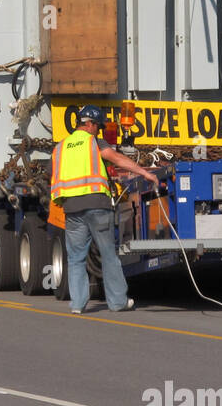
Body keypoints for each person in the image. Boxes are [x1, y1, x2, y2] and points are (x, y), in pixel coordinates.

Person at [51, 105, 159, 314]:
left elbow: (52, 173)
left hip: (72, 209)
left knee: (75, 258)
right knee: (108, 254)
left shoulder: (60, 147)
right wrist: (144, 173)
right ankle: (117, 302)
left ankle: (77, 305)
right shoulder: (94, 142)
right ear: (90, 124)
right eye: (98, 126)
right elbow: (117, 158)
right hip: (97, 206)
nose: (98, 130)